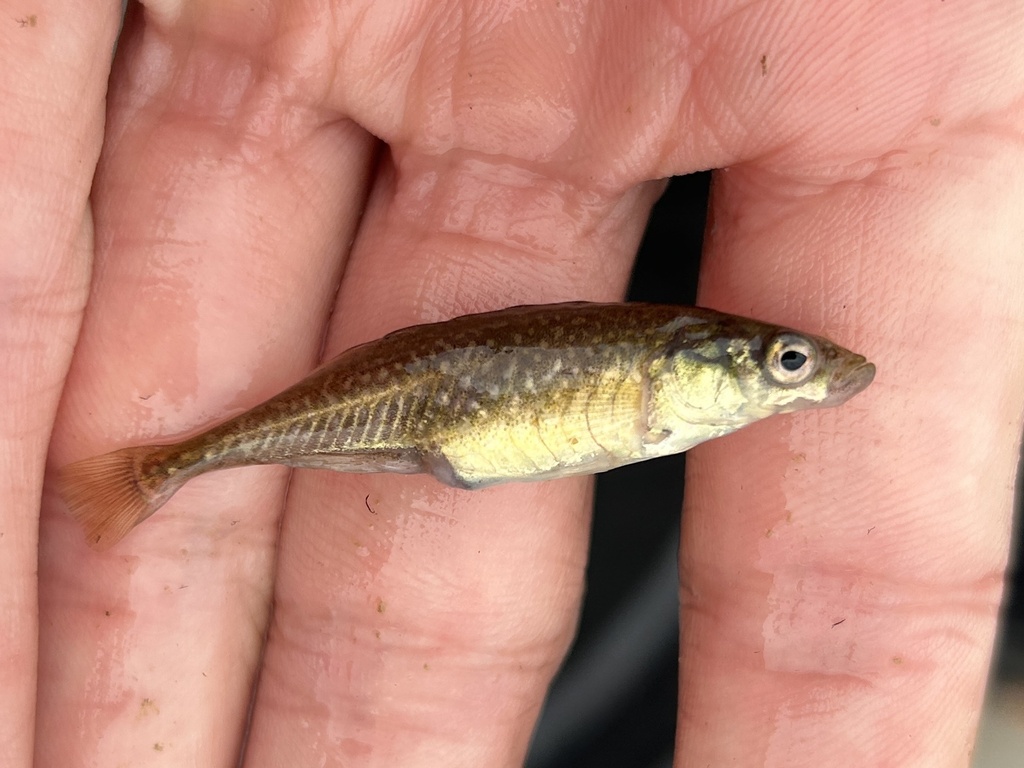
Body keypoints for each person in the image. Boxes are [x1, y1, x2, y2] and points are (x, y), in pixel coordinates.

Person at [4, 2, 1022, 765]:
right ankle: (164, 467)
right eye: (782, 365)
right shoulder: (658, 367)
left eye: (789, 365)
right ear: (688, 357)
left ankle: (170, 466)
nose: (795, 377)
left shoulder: (670, 379)